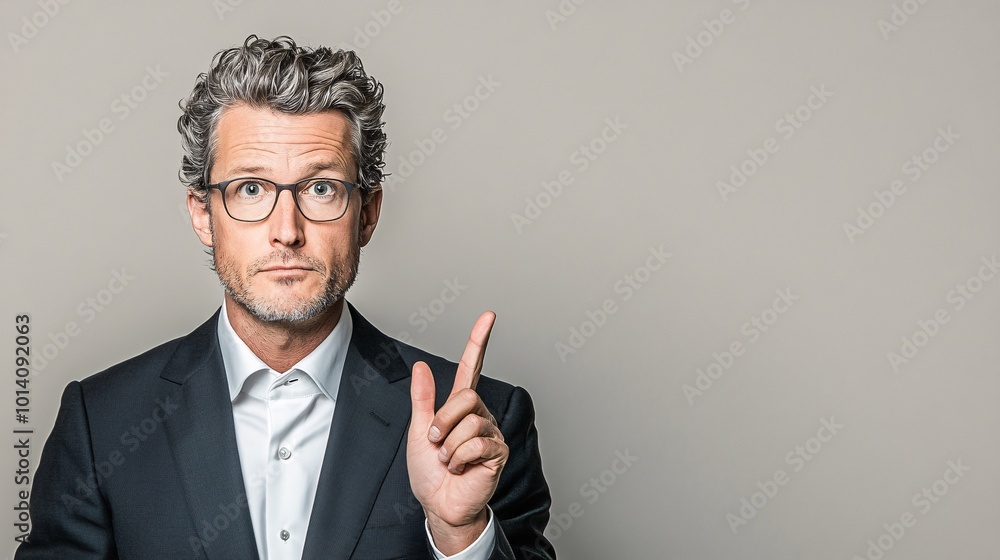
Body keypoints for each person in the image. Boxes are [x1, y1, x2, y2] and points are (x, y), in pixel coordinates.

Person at [15, 35, 555, 560]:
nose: (286, 231)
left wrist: (459, 534)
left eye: (321, 188)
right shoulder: (101, 422)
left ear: (367, 214)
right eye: (251, 188)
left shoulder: (480, 423)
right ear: (204, 215)